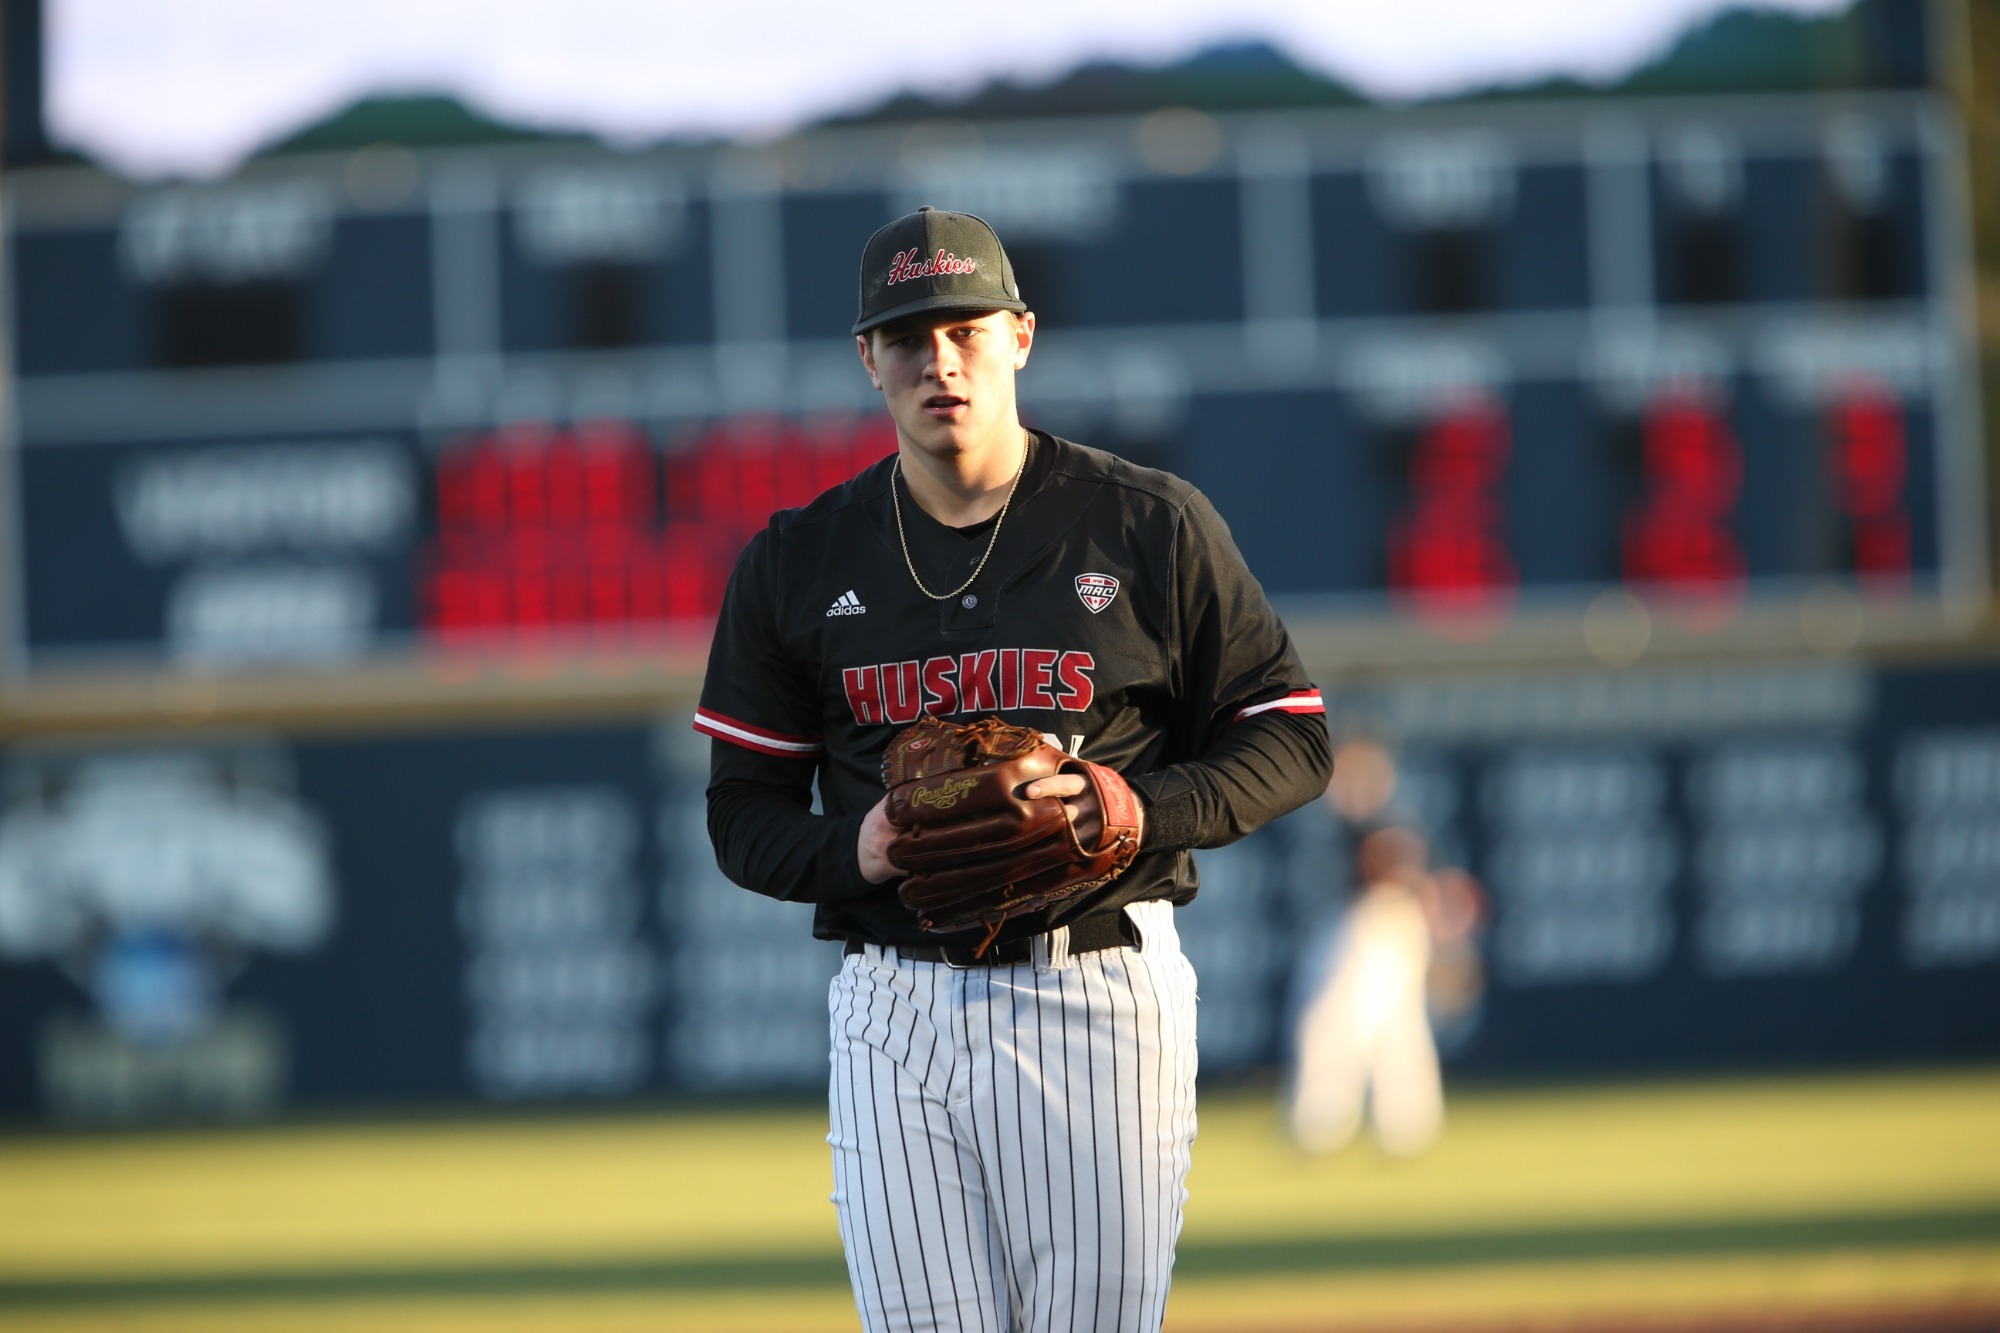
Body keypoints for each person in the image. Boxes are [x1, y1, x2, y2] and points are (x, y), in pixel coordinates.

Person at [694, 206, 1331, 1333]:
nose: (939, 360)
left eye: (965, 329)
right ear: (868, 359)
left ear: (1020, 337)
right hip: (890, 992)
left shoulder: (1143, 525)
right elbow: (741, 815)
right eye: (907, 337)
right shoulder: (798, 559)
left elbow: (1289, 735)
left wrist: (1133, 804)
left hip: (1089, 986)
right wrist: (858, 845)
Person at [1284, 733, 1481, 1157]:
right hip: (1385, 926)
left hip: (1377, 924)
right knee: (1393, 1028)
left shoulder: (1382, 817)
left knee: (1338, 1022)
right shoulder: (1370, 818)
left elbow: (1401, 868)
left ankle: (1327, 1122)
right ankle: (1402, 1124)